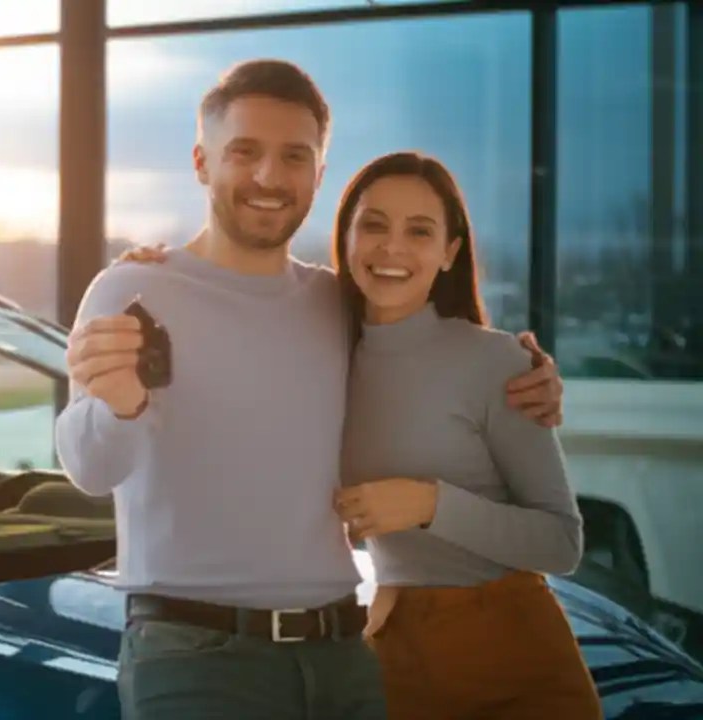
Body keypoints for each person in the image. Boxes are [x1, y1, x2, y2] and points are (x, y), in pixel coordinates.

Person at [55, 59, 563, 719]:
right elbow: (90, 469)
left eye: (294, 156)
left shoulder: (337, 303)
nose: (270, 177)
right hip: (196, 658)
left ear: (319, 175)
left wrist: (529, 377)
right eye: (244, 152)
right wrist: (124, 405)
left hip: (342, 656)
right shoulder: (132, 291)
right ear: (202, 162)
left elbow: (431, 359)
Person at [330, 151, 600, 719]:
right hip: (396, 653)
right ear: (347, 235)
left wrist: (430, 504)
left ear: (450, 252)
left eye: (420, 231)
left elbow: (562, 543)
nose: (392, 248)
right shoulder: (322, 355)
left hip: (514, 661)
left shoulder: (496, 361)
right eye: (373, 224)